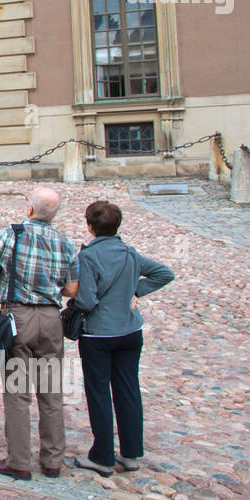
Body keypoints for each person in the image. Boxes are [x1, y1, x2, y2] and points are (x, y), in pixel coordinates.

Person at [0, 186, 79, 481]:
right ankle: (52, 461)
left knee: (18, 392)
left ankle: (20, 461)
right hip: (50, 319)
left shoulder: (13, 233)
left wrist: (8, 276)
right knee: (51, 393)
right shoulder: (64, 242)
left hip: (18, 317)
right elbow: (72, 289)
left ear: (30, 209)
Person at [70, 200, 175, 476]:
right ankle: (130, 454)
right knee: (128, 391)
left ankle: (102, 456)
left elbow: (87, 300)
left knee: (99, 393)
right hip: (130, 331)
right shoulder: (130, 253)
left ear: (89, 227)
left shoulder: (88, 257)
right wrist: (136, 291)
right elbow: (164, 273)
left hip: (99, 334)